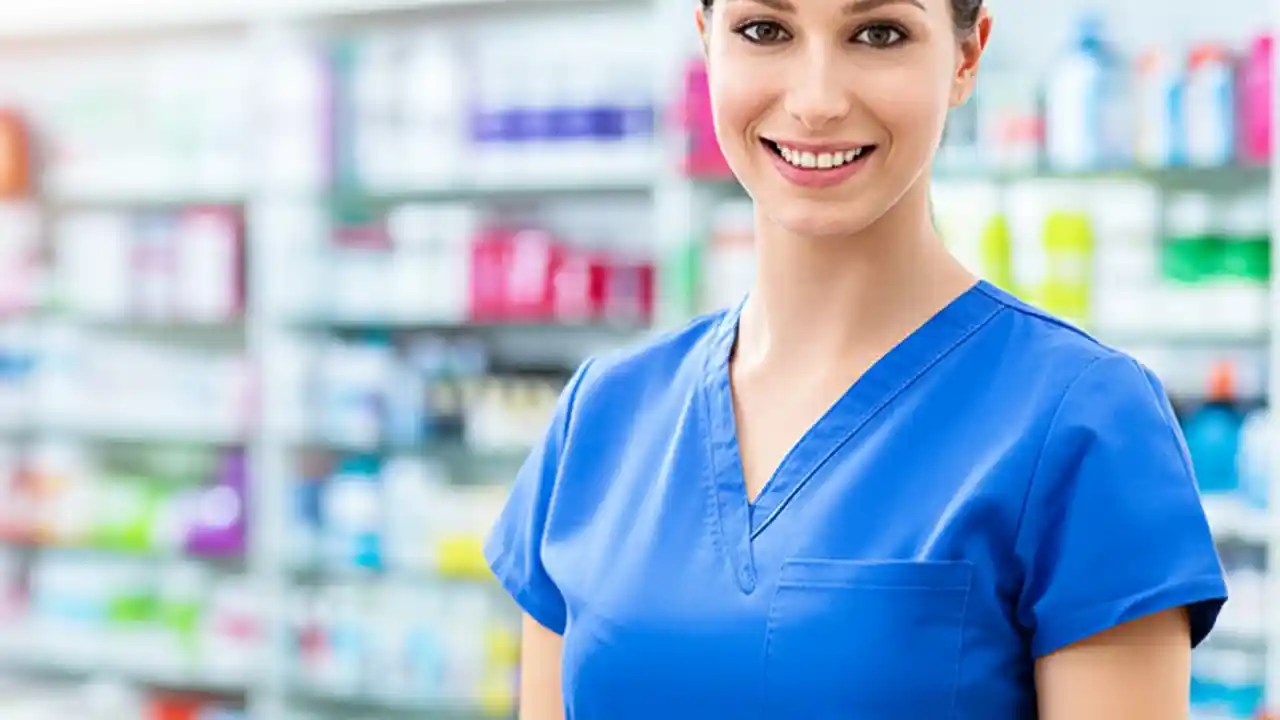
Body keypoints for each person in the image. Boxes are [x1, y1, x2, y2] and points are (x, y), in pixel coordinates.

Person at [484, 0, 1229, 716]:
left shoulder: (1083, 421)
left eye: (878, 34)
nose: (815, 100)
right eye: (764, 28)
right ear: (707, 39)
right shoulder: (602, 417)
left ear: (966, 55)